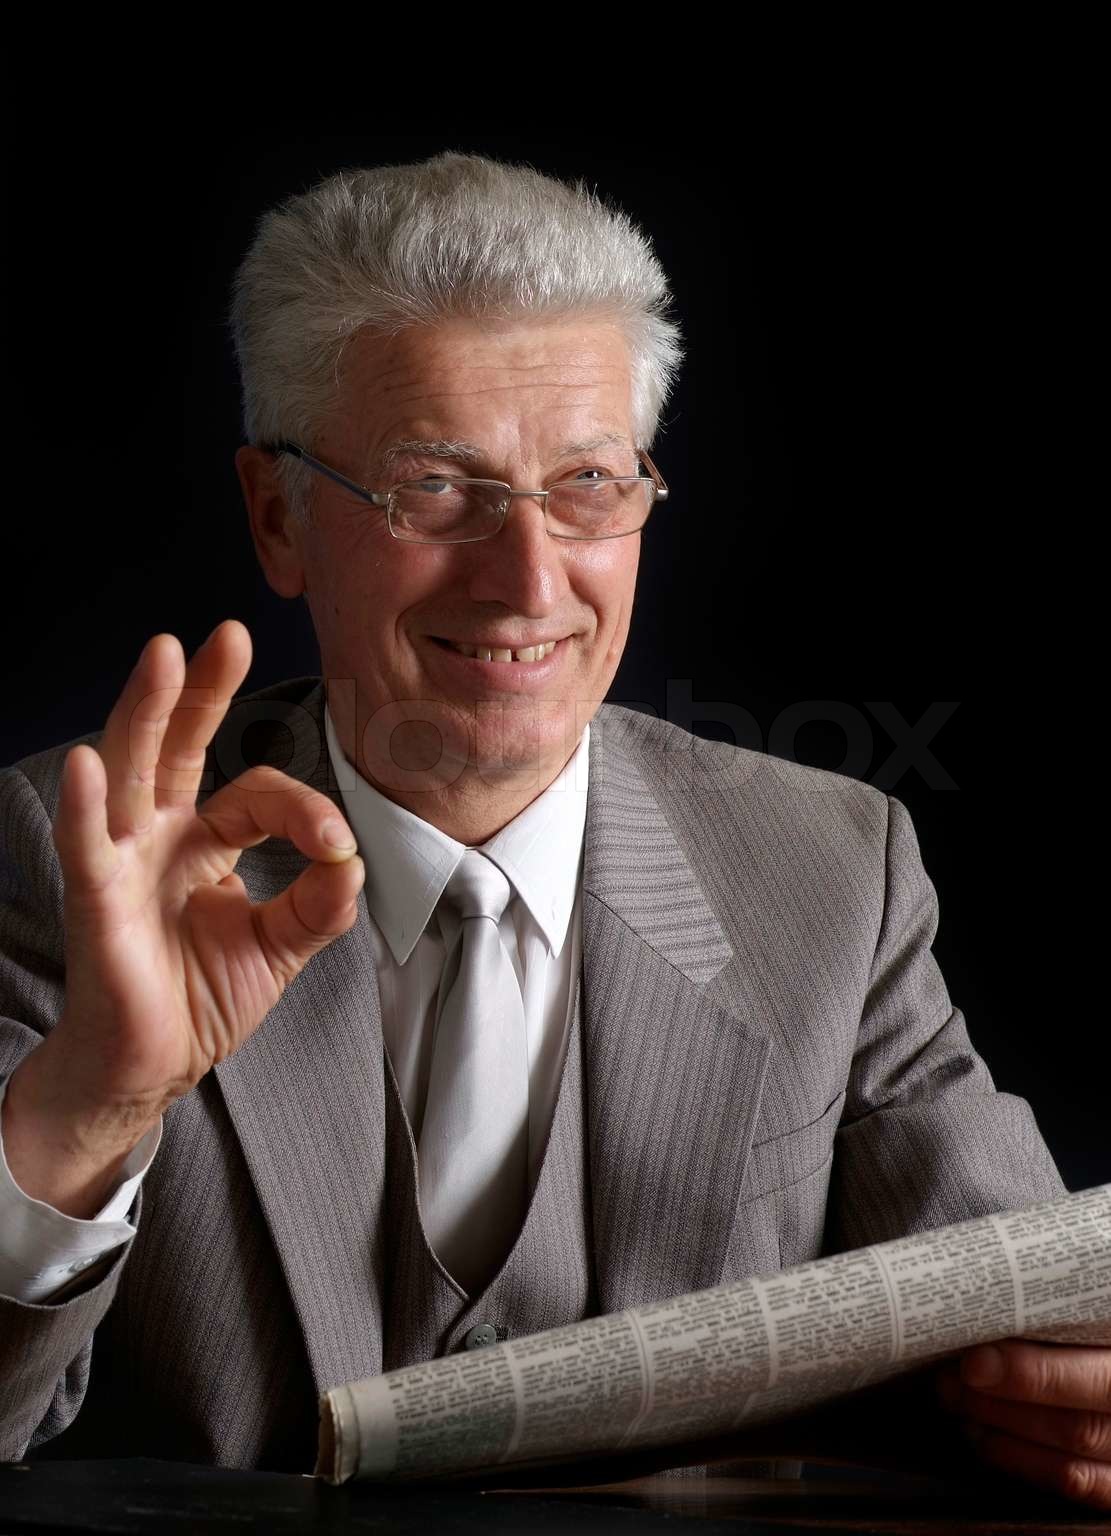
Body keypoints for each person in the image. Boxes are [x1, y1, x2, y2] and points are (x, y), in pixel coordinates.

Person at [1, 154, 1107, 1506]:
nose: (528, 581)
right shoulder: (73, 857)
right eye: (435, 488)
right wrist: (94, 1107)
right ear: (279, 517)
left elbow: (1029, 1318)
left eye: (587, 483)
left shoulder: (832, 873)